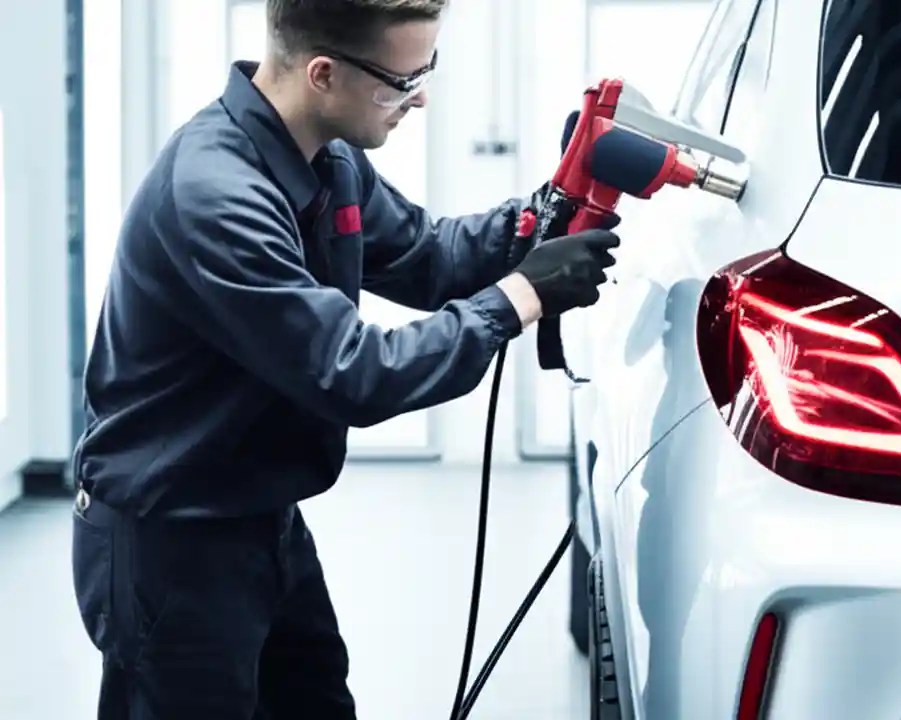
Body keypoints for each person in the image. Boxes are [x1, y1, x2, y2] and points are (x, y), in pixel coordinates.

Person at [68, 0, 618, 717]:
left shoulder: (326, 158)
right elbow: (355, 373)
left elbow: (427, 255)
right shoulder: (216, 194)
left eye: (427, 70)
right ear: (323, 74)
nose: (419, 97)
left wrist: (538, 216)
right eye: (401, 79)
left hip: (261, 515)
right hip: (171, 542)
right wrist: (519, 298)